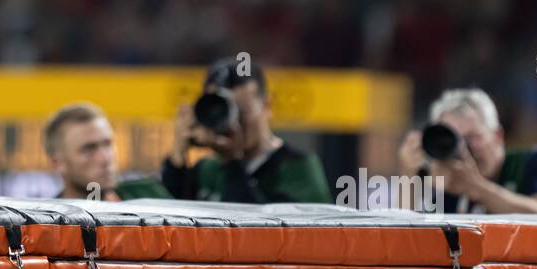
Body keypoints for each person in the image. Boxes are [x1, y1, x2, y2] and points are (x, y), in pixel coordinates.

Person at [162, 58, 332, 203]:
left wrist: (233, 163)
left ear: (267, 106)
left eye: (242, 111)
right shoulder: (208, 169)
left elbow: (262, 237)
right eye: (224, 111)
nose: (234, 121)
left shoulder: (298, 168)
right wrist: (177, 158)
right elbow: (166, 227)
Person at [397, 88, 537, 215]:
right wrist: (409, 178)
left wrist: (476, 188)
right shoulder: (449, 189)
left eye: (472, 137)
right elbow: (404, 241)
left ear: (497, 135)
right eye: (453, 140)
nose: (463, 149)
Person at [45, 102, 171, 201]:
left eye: (107, 144)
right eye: (88, 149)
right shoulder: (44, 229)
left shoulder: (149, 197)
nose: (105, 158)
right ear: (58, 163)